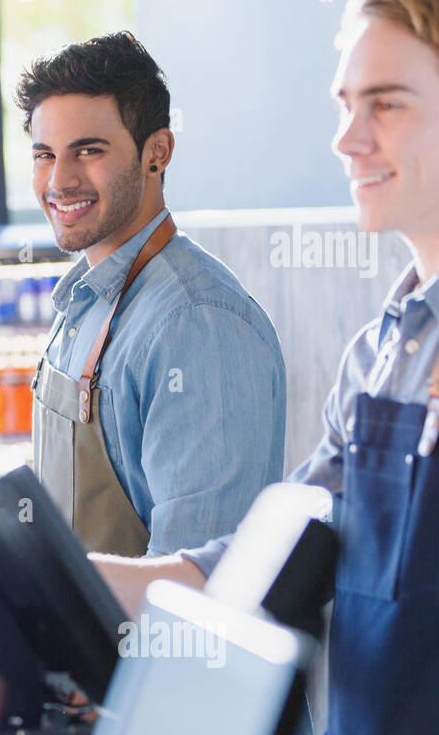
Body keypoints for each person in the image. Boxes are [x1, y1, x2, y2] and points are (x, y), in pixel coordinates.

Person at [92, 0, 439, 735]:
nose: (347, 139)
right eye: (344, 104)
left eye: (387, 105)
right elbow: (262, 561)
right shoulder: (384, 348)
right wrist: (60, 578)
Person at [16, 33, 287, 557]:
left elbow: (198, 595)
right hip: (79, 635)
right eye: (45, 155)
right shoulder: (84, 300)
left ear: (156, 153)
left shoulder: (198, 323)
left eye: (88, 151)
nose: (59, 180)